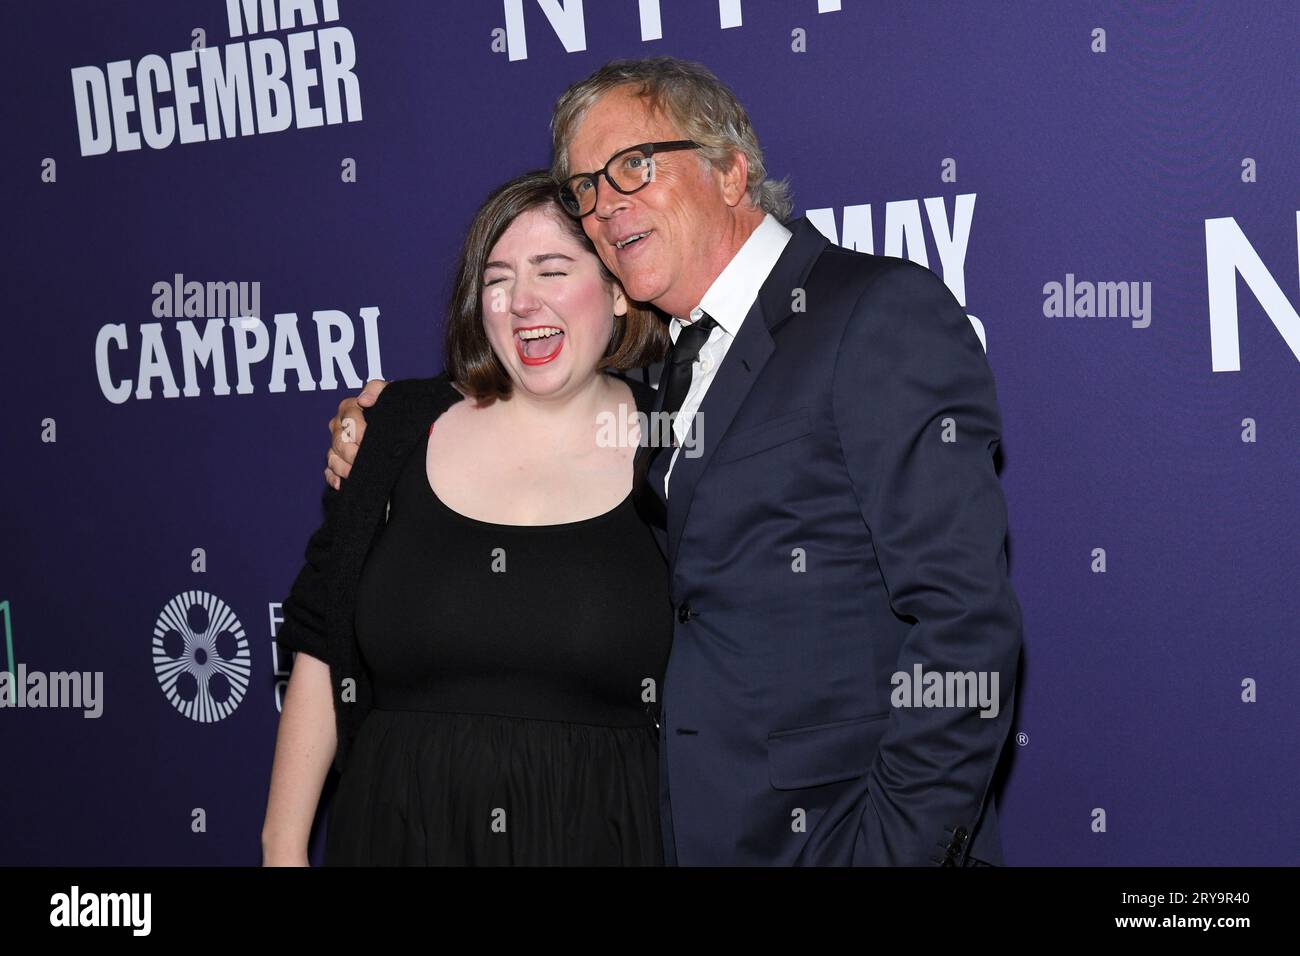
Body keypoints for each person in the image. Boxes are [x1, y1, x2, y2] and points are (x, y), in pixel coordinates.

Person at [327, 56, 1023, 867]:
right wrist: (387, 425)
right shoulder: (668, 372)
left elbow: (963, 627)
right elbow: (542, 401)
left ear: (733, 171)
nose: (605, 203)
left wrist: (894, 852)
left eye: (634, 166)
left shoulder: (873, 315)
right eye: (586, 186)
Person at [262, 170, 672, 865]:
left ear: (618, 289)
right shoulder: (394, 429)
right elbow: (320, 639)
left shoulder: (676, 442)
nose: (522, 303)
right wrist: (284, 848)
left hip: (599, 838)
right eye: (498, 278)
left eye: (553, 269)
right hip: (396, 835)